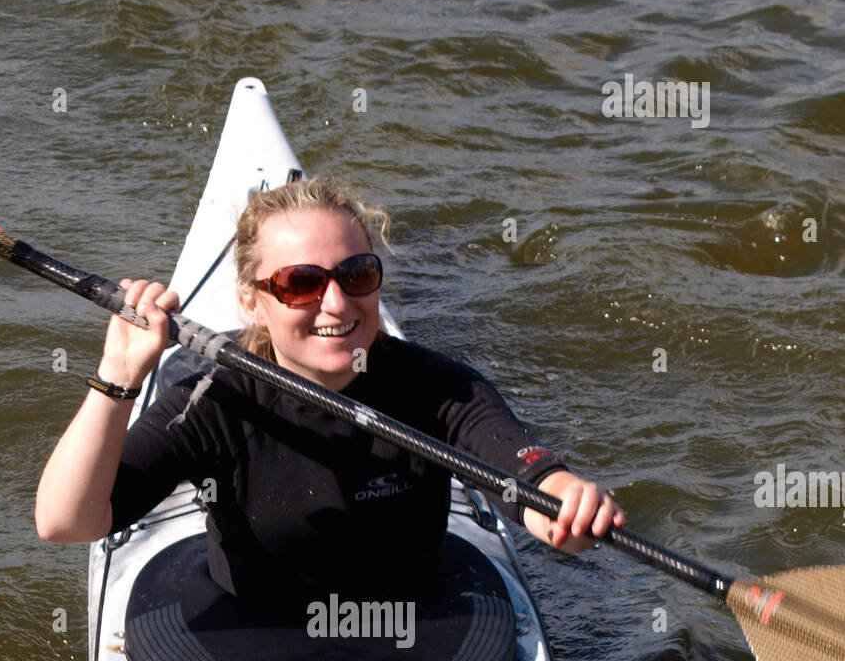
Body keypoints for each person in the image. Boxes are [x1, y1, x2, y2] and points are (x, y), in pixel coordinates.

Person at [35, 178, 623, 606]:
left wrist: (566, 503)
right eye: (301, 284)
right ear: (250, 303)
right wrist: (119, 377)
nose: (337, 304)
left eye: (357, 275)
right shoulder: (214, 402)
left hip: (411, 634)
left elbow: (530, 480)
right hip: (256, 642)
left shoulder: (440, 387)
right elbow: (67, 522)